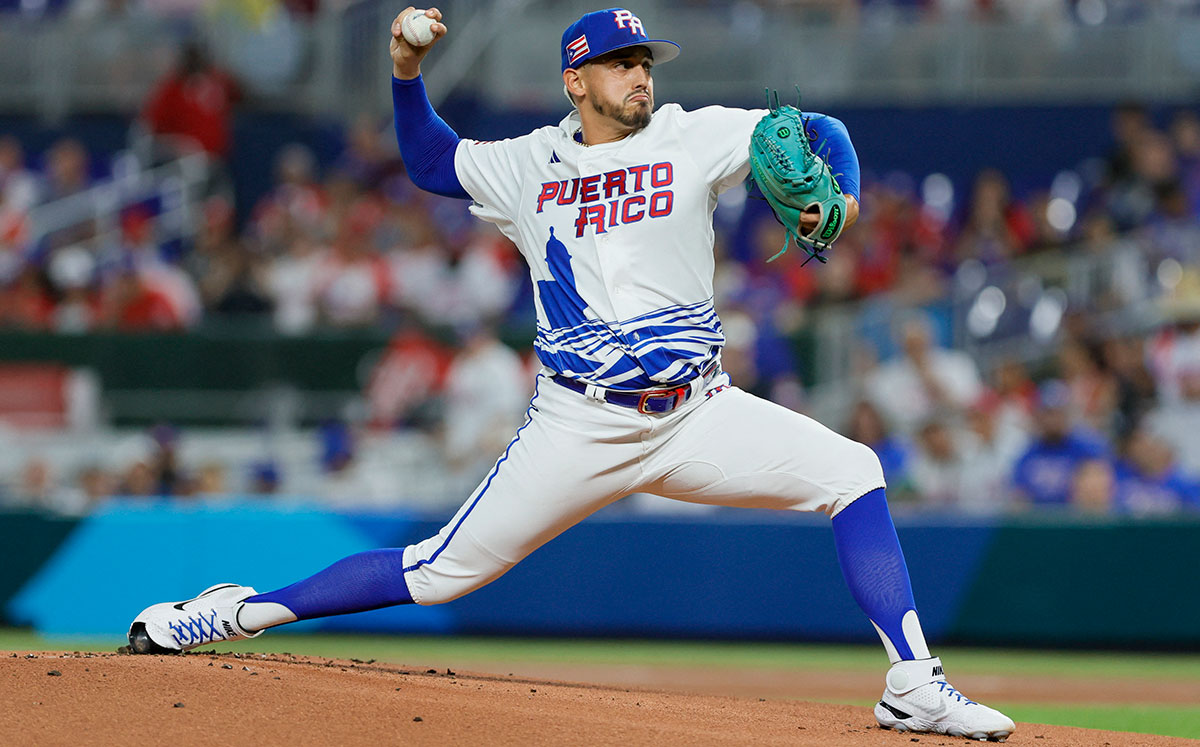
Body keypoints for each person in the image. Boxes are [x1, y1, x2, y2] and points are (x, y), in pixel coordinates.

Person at [127, 8, 1014, 741]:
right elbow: (432, 160)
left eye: (645, 61)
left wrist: (845, 188)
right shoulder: (527, 165)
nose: (640, 76)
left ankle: (912, 683)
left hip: (697, 412)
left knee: (852, 470)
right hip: (577, 424)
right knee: (437, 571)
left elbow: (814, 130)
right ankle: (234, 612)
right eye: (620, 63)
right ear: (574, 81)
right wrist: (404, 72)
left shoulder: (692, 136)